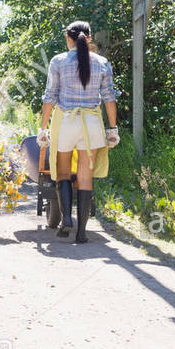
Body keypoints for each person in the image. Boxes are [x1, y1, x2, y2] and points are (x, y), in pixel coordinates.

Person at [37, 20, 120, 244]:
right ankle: (82, 232)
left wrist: (43, 128)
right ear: (90, 38)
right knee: (85, 177)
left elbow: (50, 96)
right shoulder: (103, 63)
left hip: (65, 122)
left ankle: (67, 220)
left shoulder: (58, 61)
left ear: (68, 39)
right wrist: (112, 129)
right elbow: (109, 98)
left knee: (62, 172)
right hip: (92, 123)